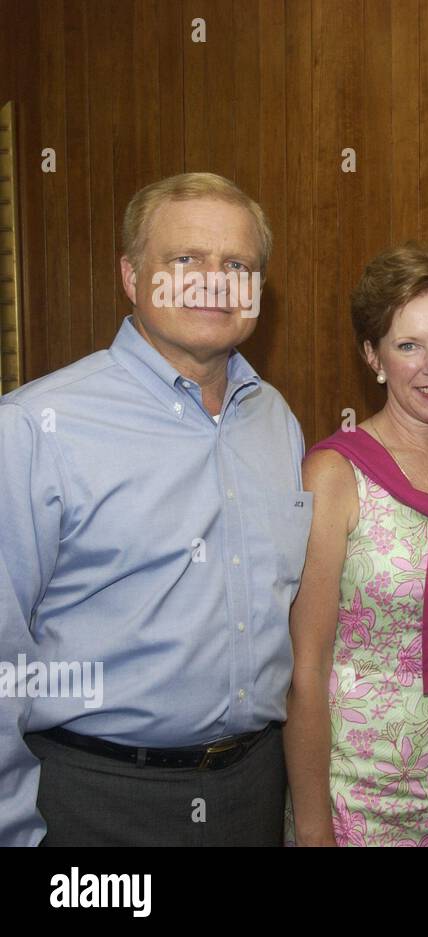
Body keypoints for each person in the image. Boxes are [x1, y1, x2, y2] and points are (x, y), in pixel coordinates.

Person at [0, 172, 308, 846]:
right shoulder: (35, 428)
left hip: (252, 790)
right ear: (132, 276)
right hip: (94, 802)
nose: (213, 281)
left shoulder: (277, 422)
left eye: (238, 264)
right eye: (185, 260)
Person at [283, 243, 428, 847]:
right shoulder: (333, 476)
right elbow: (305, 670)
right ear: (373, 357)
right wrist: (314, 832)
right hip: (360, 804)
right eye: (408, 345)